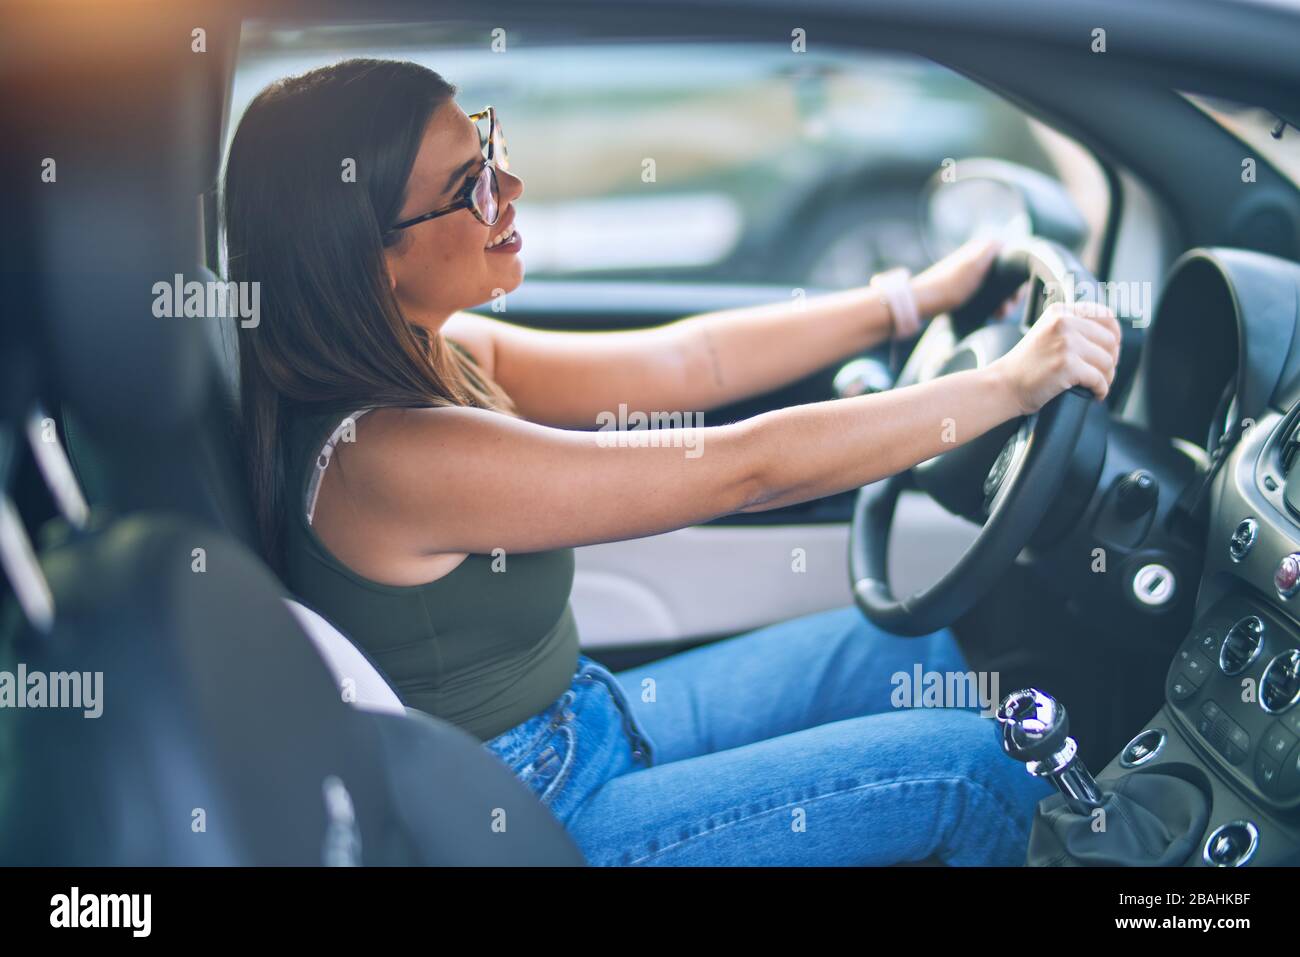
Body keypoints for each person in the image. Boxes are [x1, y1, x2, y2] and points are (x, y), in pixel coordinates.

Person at [222, 59, 1119, 865]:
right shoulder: (393, 456)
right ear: (369, 257)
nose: (514, 187)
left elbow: (688, 364)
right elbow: (745, 468)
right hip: (539, 815)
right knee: (977, 771)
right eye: (473, 188)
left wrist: (913, 298)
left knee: (892, 643)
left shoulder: (433, 352)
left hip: (585, 719)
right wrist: (1006, 385)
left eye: (491, 148)